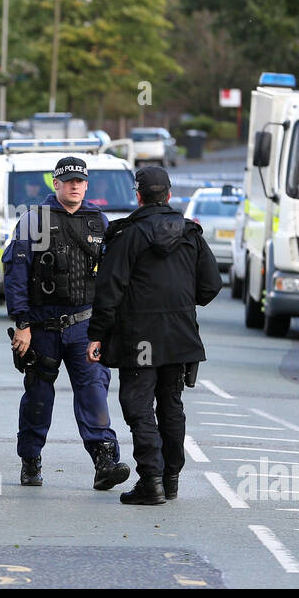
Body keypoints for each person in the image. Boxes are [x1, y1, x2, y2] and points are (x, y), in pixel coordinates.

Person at [88, 166, 221, 505]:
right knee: (171, 404)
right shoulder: (191, 234)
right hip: (180, 334)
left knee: (138, 405)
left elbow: (109, 289)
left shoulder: (126, 235)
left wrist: (97, 335)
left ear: (138, 196)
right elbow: (210, 286)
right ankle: (170, 479)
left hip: (138, 334)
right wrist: (177, 302)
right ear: (170, 195)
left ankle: (151, 480)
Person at [3, 155, 131, 491]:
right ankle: (30, 460)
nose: (74, 186)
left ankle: (105, 461)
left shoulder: (98, 221)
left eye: (80, 181)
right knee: (38, 396)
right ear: (55, 184)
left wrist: (109, 327)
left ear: (86, 185)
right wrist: (23, 323)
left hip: (85, 326)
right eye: (68, 181)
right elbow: (16, 274)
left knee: (93, 392)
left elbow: (112, 279)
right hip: (42, 327)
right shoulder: (35, 221)